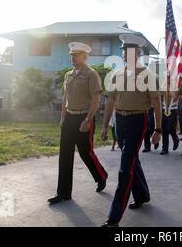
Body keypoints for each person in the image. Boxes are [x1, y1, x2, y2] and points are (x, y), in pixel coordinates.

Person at [100, 34, 162, 227]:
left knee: (125, 168)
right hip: (120, 121)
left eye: (130, 51)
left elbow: (156, 103)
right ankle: (142, 195)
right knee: (131, 159)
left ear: (138, 53)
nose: (126, 54)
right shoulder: (116, 75)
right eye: (124, 51)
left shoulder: (148, 76)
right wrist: (104, 126)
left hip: (138, 120)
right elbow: (110, 101)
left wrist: (158, 129)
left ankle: (114, 218)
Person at [48, 42, 108, 205]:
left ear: (85, 56)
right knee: (65, 155)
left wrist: (88, 119)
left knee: (85, 152)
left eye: (76, 55)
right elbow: (65, 99)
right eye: (71, 55)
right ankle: (63, 193)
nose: (72, 57)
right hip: (69, 118)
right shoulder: (68, 75)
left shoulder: (91, 74)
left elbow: (96, 98)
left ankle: (101, 175)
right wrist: (62, 118)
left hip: (84, 118)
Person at [160, 82, 179, 155]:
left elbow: (174, 96)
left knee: (171, 128)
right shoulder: (163, 84)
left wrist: (169, 88)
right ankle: (165, 148)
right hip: (164, 109)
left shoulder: (176, 85)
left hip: (173, 109)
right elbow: (159, 94)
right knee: (164, 129)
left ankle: (175, 139)